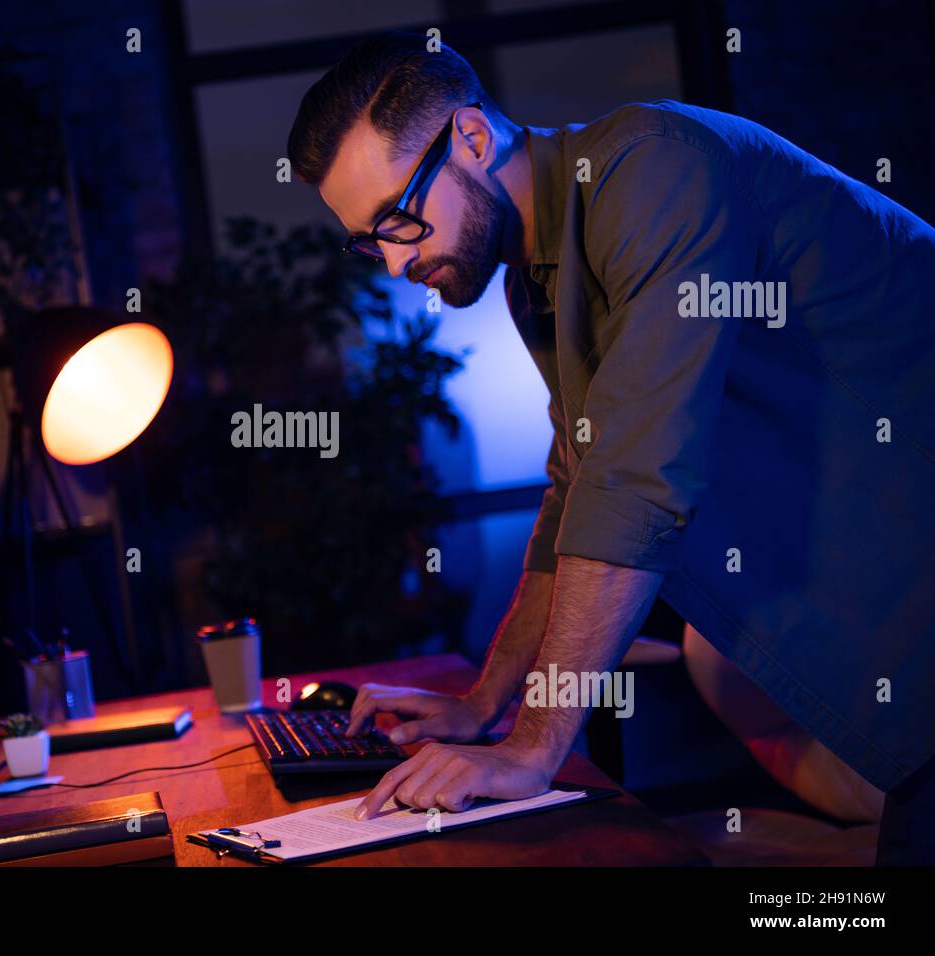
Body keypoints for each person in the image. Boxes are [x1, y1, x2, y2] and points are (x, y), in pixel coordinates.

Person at [286, 31, 935, 864]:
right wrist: (486, 705)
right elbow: (578, 485)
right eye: (368, 240)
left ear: (473, 138)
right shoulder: (536, 275)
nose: (395, 261)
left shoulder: (655, 169)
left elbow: (635, 479)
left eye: (399, 219)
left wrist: (532, 748)